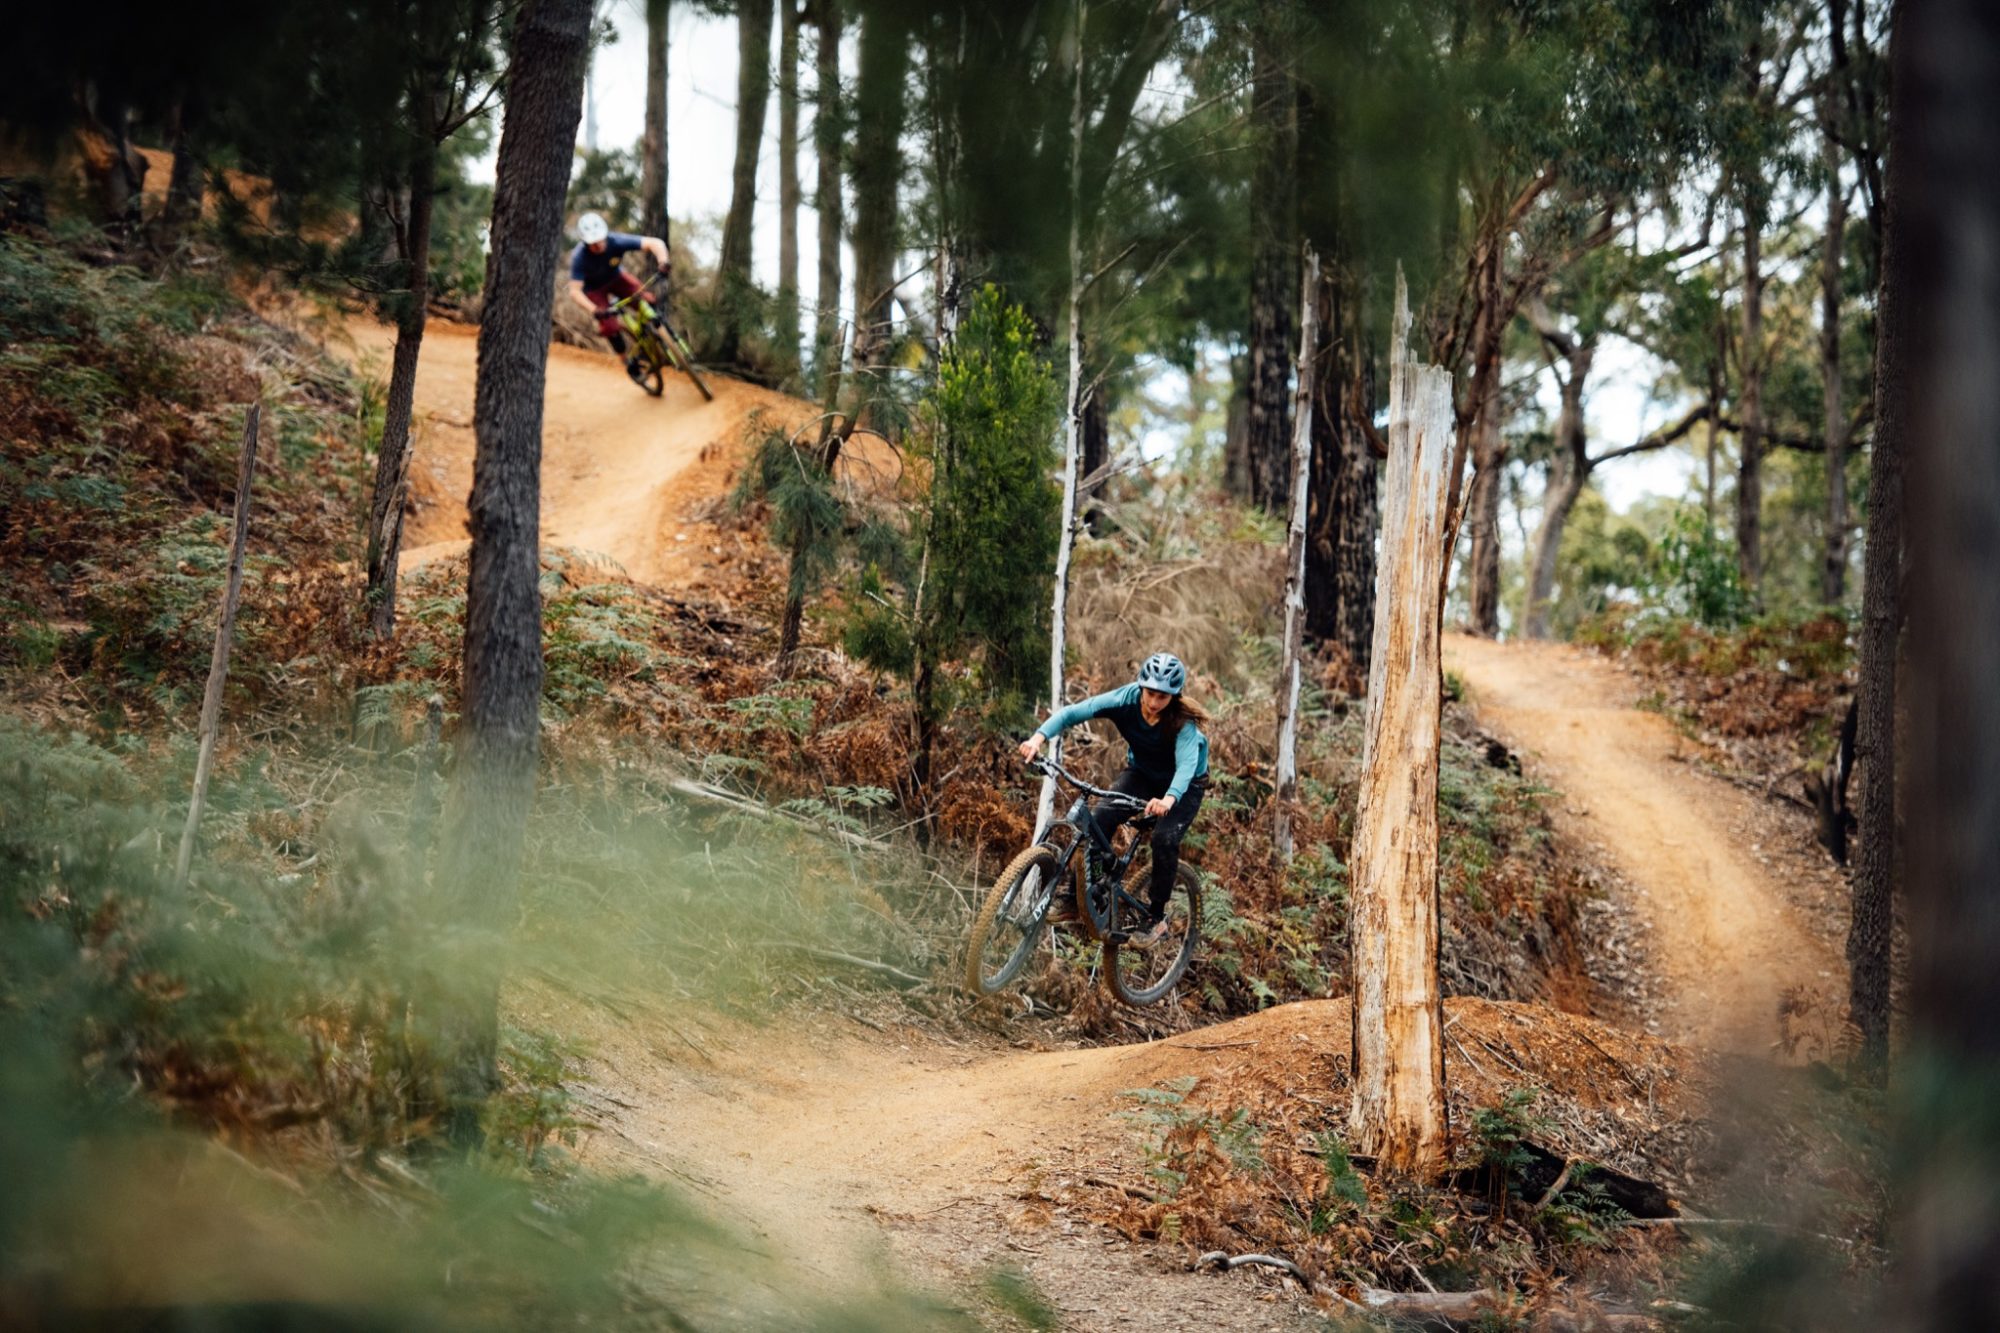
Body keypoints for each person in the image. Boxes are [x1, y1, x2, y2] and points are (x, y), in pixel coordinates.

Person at [1017, 651, 1210, 946]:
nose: (1154, 702)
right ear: (1141, 686)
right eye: (1150, 693)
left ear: (1174, 695)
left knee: (1164, 839)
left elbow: (1185, 767)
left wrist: (1169, 799)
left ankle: (1155, 917)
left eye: (1162, 696)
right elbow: (1072, 714)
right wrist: (1038, 738)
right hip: (1143, 773)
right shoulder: (1124, 700)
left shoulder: (1182, 724)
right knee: (1098, 820)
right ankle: (1076, 899)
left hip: (1185, 787)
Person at [566, 211, 671, 384]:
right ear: (585, 242)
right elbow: (574, 291)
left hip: (617, 279)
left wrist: (663, 262)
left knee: (646, 298)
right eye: (592, 243)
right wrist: (595, 310)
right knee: (609, 326)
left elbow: (655, 243)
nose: (598, 245)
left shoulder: (616, 241)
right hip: (594, 290)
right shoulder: (580, 257)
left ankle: (657, 333)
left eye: (600, 240)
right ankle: (626, 361)